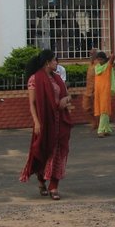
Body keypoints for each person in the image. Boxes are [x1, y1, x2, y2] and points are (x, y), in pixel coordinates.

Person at [19, 49, 73, 200]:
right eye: (55, 60)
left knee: (59, 153)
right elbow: (32, 104)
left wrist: (65, 100)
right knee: (43, 151)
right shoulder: (35, 79)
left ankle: (54, 186)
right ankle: (41, 180)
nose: (57, 63)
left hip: (60, 121)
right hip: (45, 121)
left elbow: (67, 96)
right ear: (47, 62)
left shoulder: (57, 79)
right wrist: (36, 122)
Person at [93, 50, 115, 137]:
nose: (99, 61)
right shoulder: (96, 67)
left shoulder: (108, 66)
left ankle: (103, 130)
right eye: (98, 59)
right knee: (103, 110)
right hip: (98, 92)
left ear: (104, 59)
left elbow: (112, 58)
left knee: (104, 110)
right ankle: (104, 130)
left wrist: (110, 57)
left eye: (101, 59)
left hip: (105, 91)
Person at [82, 47, 98, 131]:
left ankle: (98, 125)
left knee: (97, 109)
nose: (90, 55)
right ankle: (93, 122)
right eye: (90, 54)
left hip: (96, 91)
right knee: (85, 107)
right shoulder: (90, 64)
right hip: (88, 91)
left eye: (92, 54)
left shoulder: (98, 64)